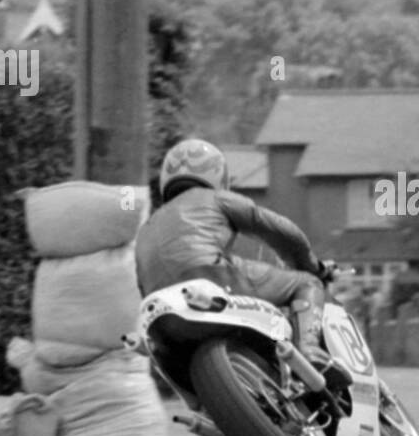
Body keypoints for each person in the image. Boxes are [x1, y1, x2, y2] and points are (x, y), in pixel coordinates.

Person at [134, 139, 350, 388]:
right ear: (218, 174)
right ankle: (310, 350)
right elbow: (283, 231)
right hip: (212, 278)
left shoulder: (145, 229)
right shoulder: (215, 198)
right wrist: (312, 267)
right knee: (306, 283)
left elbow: (140, 284)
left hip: (163, 319)